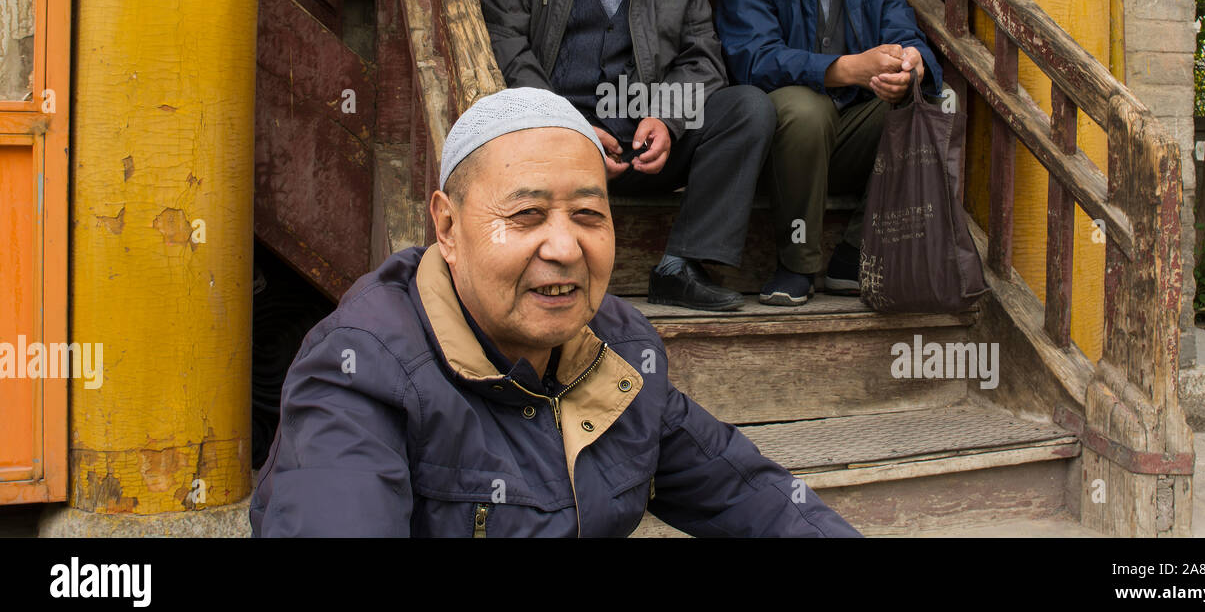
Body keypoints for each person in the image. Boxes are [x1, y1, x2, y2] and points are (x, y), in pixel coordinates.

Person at [249, 88, 859, 537]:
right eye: (526, 216)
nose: (565, 249)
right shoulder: (360, 370)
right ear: (447, 226)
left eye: (590, 216)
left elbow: (750, 495)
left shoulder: (617, 350)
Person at [477, 0, 775, 312]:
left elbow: (703, 57)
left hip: (642, 141)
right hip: (550, 144)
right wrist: (566, 126)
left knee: (749, 108)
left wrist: (668, 117)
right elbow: (505, 46)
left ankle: (681, 264)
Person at [715, 0, 942, 307]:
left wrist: (912, 63)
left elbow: (906, 33)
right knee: (806, 108)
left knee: (919, 102)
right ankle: (797, 263)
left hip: (849, 134)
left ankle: (854, 254)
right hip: (780, 144)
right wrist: (845, 68)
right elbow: (753, 59)